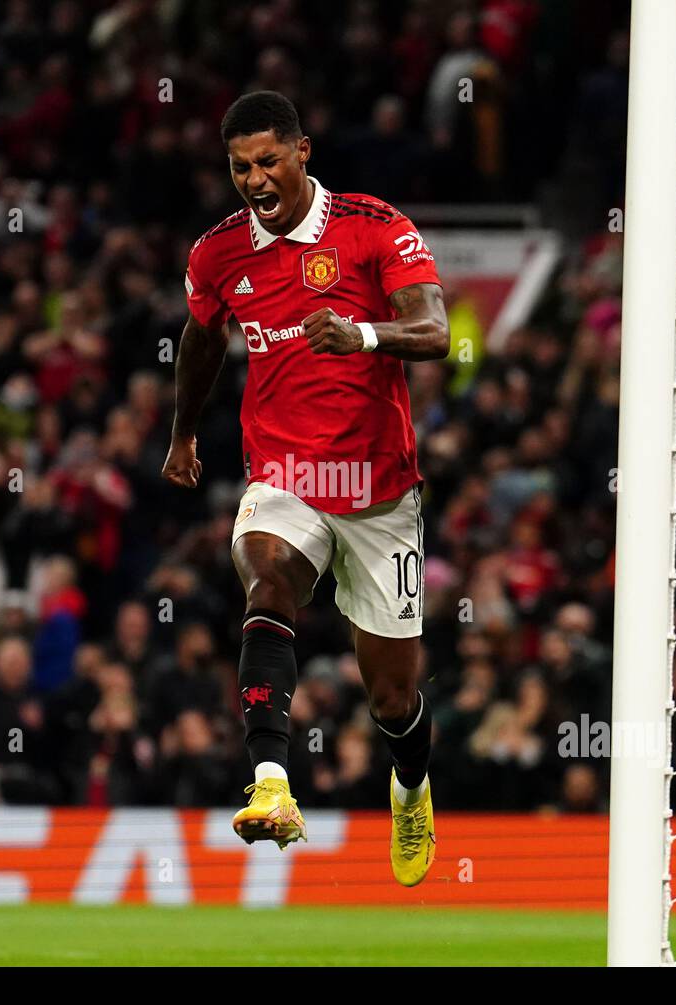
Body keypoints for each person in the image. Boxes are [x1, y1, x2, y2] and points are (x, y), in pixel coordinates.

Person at [161, 91, 449, 886]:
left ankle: (412, 785)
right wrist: (184, 433)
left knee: (392, 699)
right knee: (266, 574)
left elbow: (436, 331)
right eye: (239, 167)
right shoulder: (220, 253)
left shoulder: (371, 226)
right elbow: (200, 338)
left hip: (379, 491)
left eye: (267, 161)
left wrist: (361, 333)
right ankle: (272, 782)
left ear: (302, 153)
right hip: (286, 474)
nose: (254, 179)